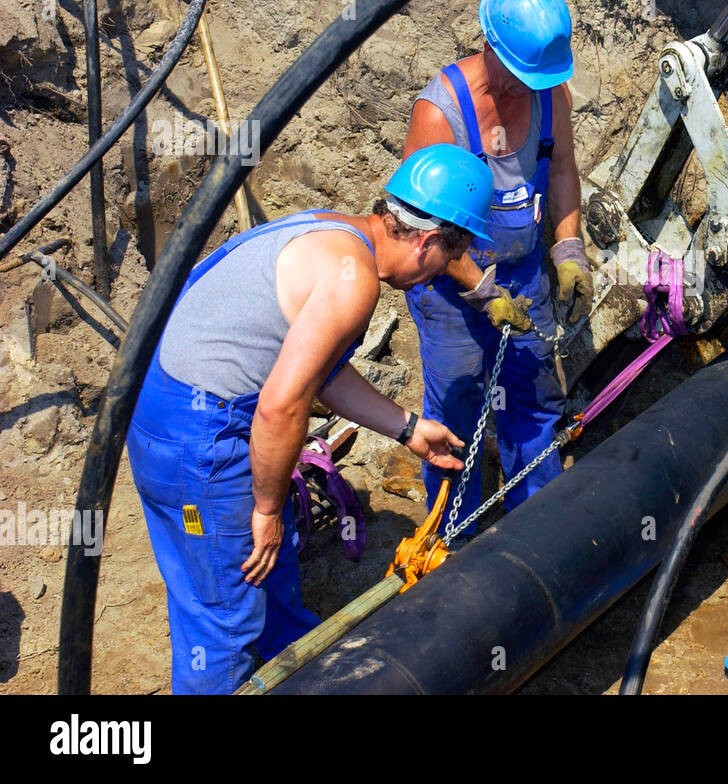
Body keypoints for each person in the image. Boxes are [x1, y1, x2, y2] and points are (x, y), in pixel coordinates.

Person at [126, 144, 492, 693]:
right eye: (454, 255)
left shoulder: (337, 233)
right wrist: (270, 508)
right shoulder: (354, 280)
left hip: (168, 408)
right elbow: (281, 406)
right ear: (428, 242)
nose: (444, 273)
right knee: (224, 620)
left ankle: (295, 672)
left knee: (267, 574)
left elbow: (320, 370)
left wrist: (409, 428)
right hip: (197, 439)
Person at [400, 0, 593, 533]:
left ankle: (541, 529)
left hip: (524, 272)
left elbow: (559, 169)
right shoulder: (441, 115)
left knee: (531, 404)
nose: (525, 89)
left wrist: (568, 246)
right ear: (489, 47)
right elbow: (425, 230)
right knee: (458, 413)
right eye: (517, 75)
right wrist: (479, 289)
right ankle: (452, 537)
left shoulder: (549, 97)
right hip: (451, 291)